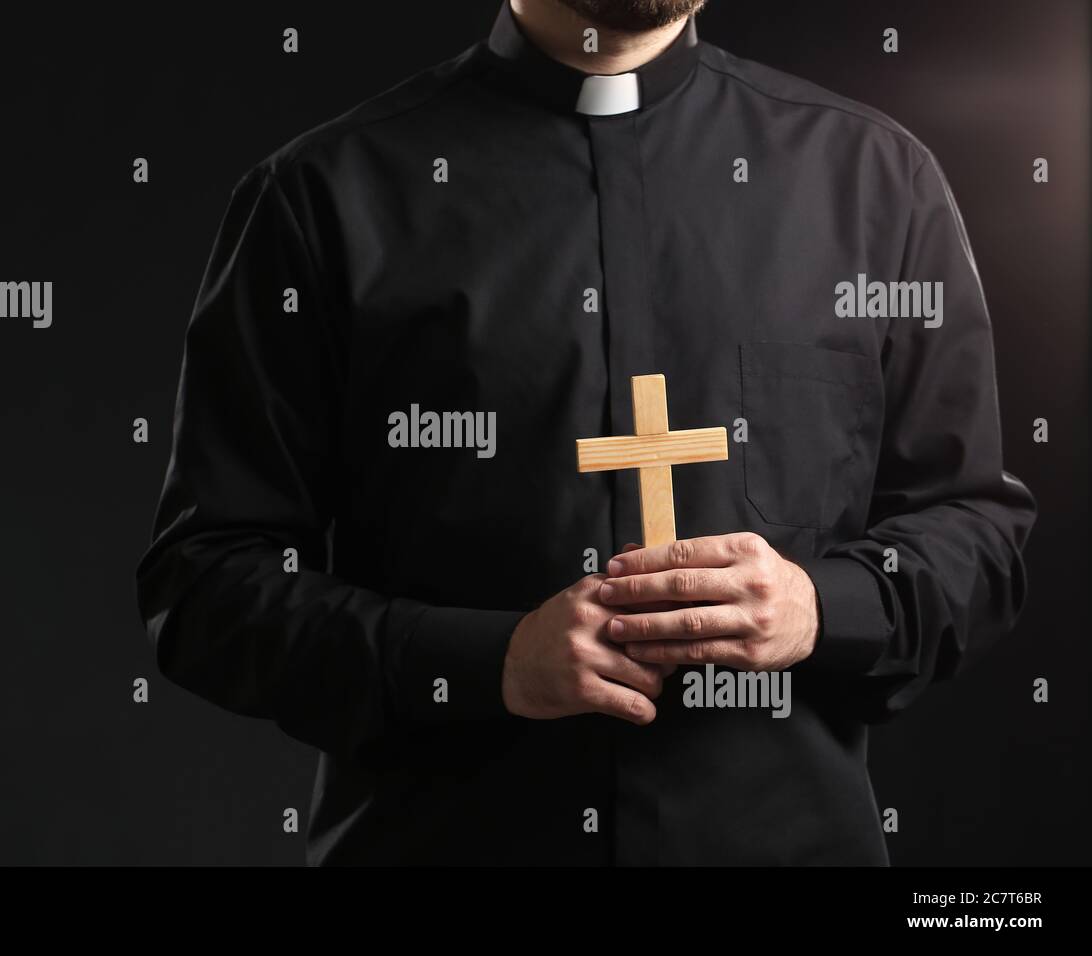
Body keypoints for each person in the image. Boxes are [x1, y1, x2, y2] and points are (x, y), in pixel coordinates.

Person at [136, 0, 1036, 864]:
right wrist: (489, 666)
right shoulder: (321, 197)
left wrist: (819, 606)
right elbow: (205, 586)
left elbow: (978, 536)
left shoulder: (877, 181)